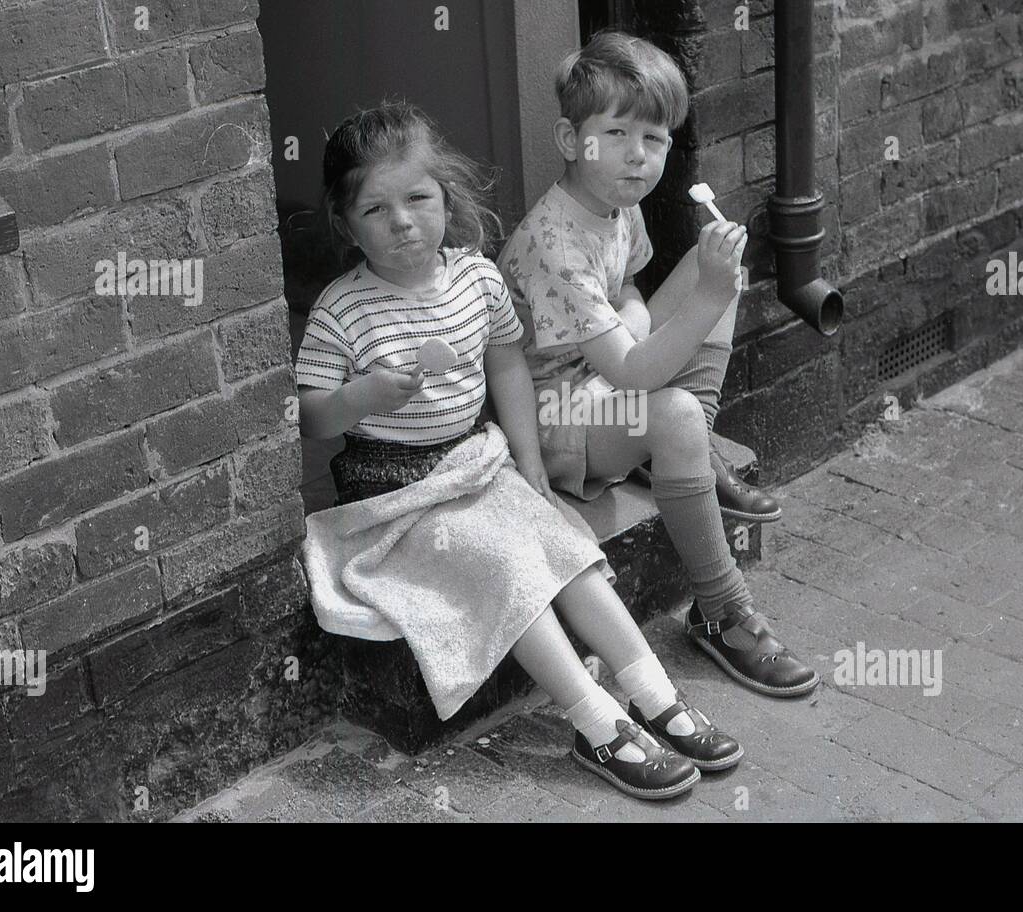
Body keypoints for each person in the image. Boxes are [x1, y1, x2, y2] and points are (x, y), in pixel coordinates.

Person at [295, 102, 742, 801]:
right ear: (346, 222)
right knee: (509, 567)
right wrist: (360, 398)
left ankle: (655, 695)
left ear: (446, 197)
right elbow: (312, 418)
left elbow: (506, 362)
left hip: (476, 459)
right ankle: (597, 724)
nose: (403, 220)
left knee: (567, 550)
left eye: (418, 198)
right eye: (376, 209)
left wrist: (530, 464)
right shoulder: (340, 309)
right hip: (395, 494)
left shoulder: (475, 279)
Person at [498, 30, 820, 697]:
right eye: (616, 134)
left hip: (604, 378)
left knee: (719, 270)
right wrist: (681, 309)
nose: (637, 156)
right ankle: (723, 611)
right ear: (570, 141)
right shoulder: (553, 241)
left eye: (654, 138)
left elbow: (628, 292)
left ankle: (688, 449)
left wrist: (678, 302)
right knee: (675, 394)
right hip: (557, 418)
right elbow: (635, 375)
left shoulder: (616, 202)